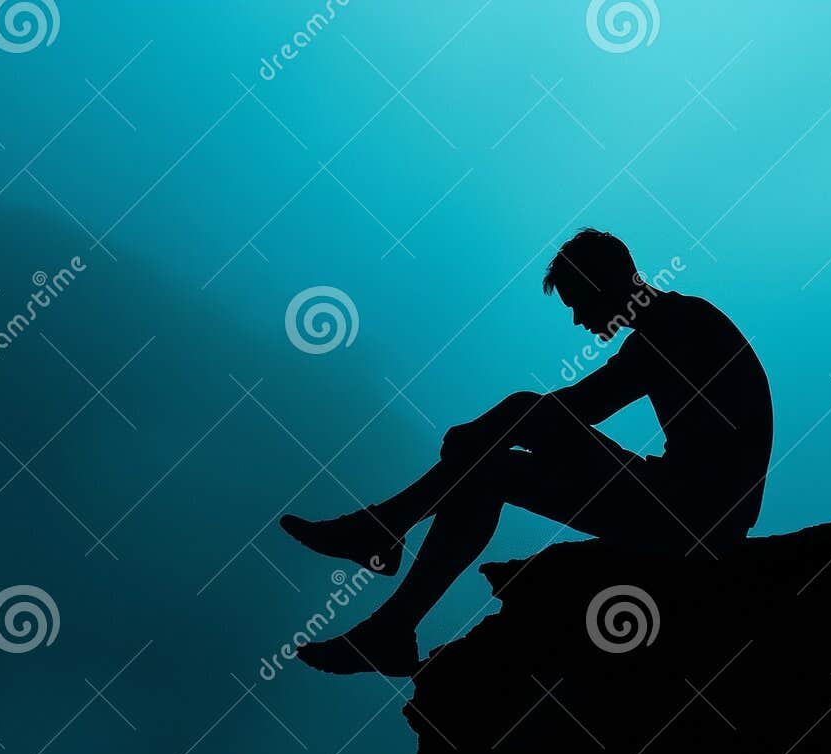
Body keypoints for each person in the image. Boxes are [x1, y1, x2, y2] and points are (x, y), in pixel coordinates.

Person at [280, 229, 773, 676]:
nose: (579, 320)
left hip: (693, 515)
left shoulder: (677, 324)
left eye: (579, 301)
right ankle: (391, 625)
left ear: (606, 281)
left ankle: (385, 530)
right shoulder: (670, 324)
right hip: (686, 509)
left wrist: (480, 431)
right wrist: (482, 442)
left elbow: (581, 407)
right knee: (488, 472)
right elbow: (577, 409)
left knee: (519, 413)